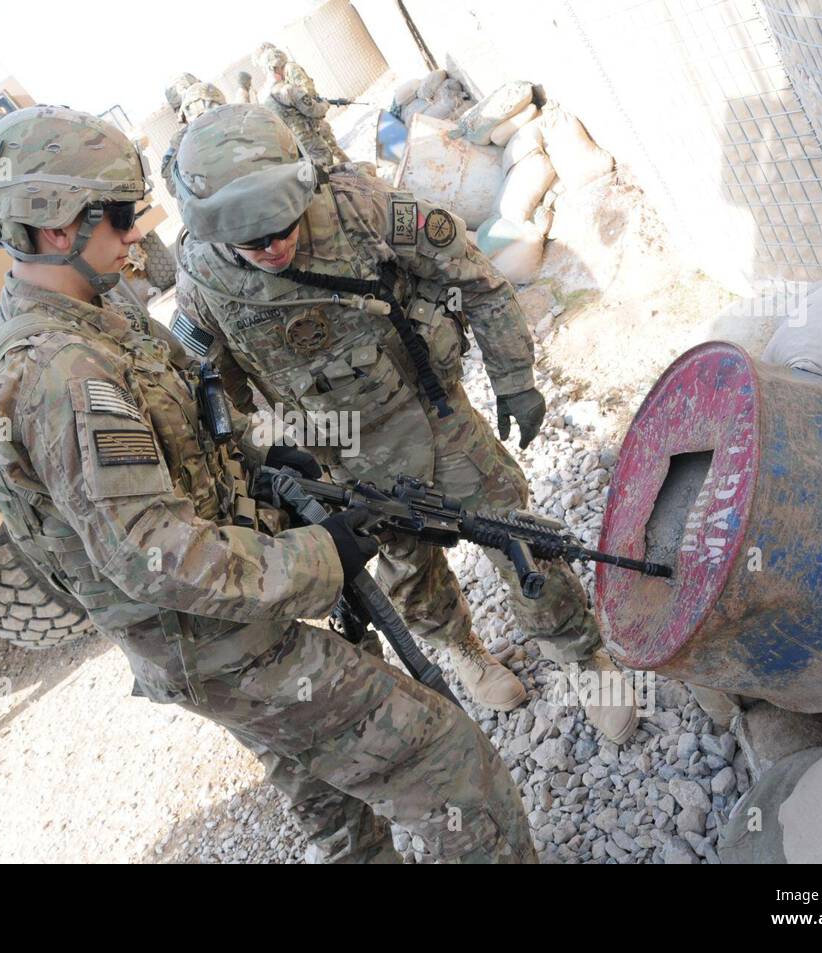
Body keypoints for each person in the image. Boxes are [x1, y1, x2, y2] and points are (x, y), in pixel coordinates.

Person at [0, 105, 535, 863]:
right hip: (222, 639)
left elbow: (198, 415)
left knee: (334, 806)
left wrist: (266, 462)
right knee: (450, 766)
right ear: (58, 226)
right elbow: (153, 554)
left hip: (220, 624)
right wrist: (320, 559)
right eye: (121, 216)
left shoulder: (96, 316)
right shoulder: (60, 372)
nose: (136, 233)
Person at [170, 104, 637, 742]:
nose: (276, 247)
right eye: (254, 242)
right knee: (408, 570)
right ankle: (463, 650)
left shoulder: (364, 211)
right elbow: (220, 405)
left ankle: (582, 654)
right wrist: (282, 466)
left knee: (516, 534)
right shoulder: (202, 286)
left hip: (436, 416)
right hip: (347, 456)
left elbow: (478, 280)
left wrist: (514, 376)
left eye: (284, 225)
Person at [256, 45, 347, 168]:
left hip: (290, 147)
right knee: (326, 168)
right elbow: (315, 110)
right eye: (283, 67)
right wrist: (325, 104)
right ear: (276, 68)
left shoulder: (262, 97)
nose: (285, 70)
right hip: (309, 141)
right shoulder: (288, 90)